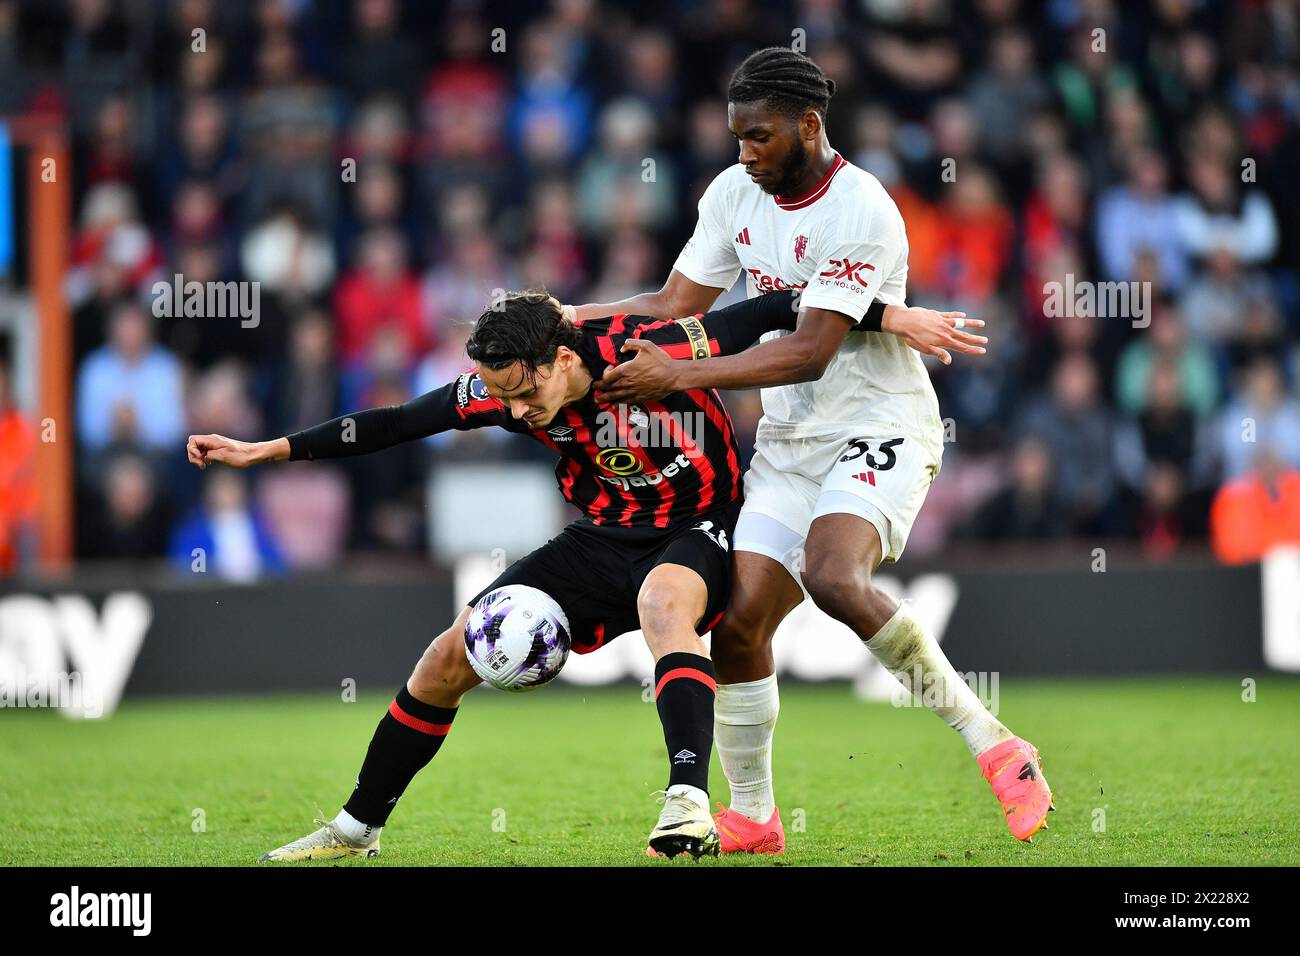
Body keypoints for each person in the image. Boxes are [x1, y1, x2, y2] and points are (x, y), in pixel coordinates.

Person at [187, 288, 882, 860]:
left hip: (702, 522)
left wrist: (889, 315)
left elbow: (770, 309)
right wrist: (265, 451)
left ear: (555, 359)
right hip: (603, 535)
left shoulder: (646, 346)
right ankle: (356, 829)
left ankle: (688, 803)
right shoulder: (504, 386)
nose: (514, 414)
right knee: (446, 656)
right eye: (501, 398)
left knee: (664, 602)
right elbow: (397, 421)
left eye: (521, 394)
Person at [573, 47, 1053, 851]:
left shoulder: (862, 207)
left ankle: (998, 745)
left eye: (758, 137)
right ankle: (755, 816)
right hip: (793, 442)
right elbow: (671, 302)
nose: (744, 154)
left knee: (834, 574)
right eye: (735, 138)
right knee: (738, 626)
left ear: (809, 124)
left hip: (881, 421)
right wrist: (569, 321)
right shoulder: (733, 193)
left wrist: (679, 372)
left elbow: (807, 350)